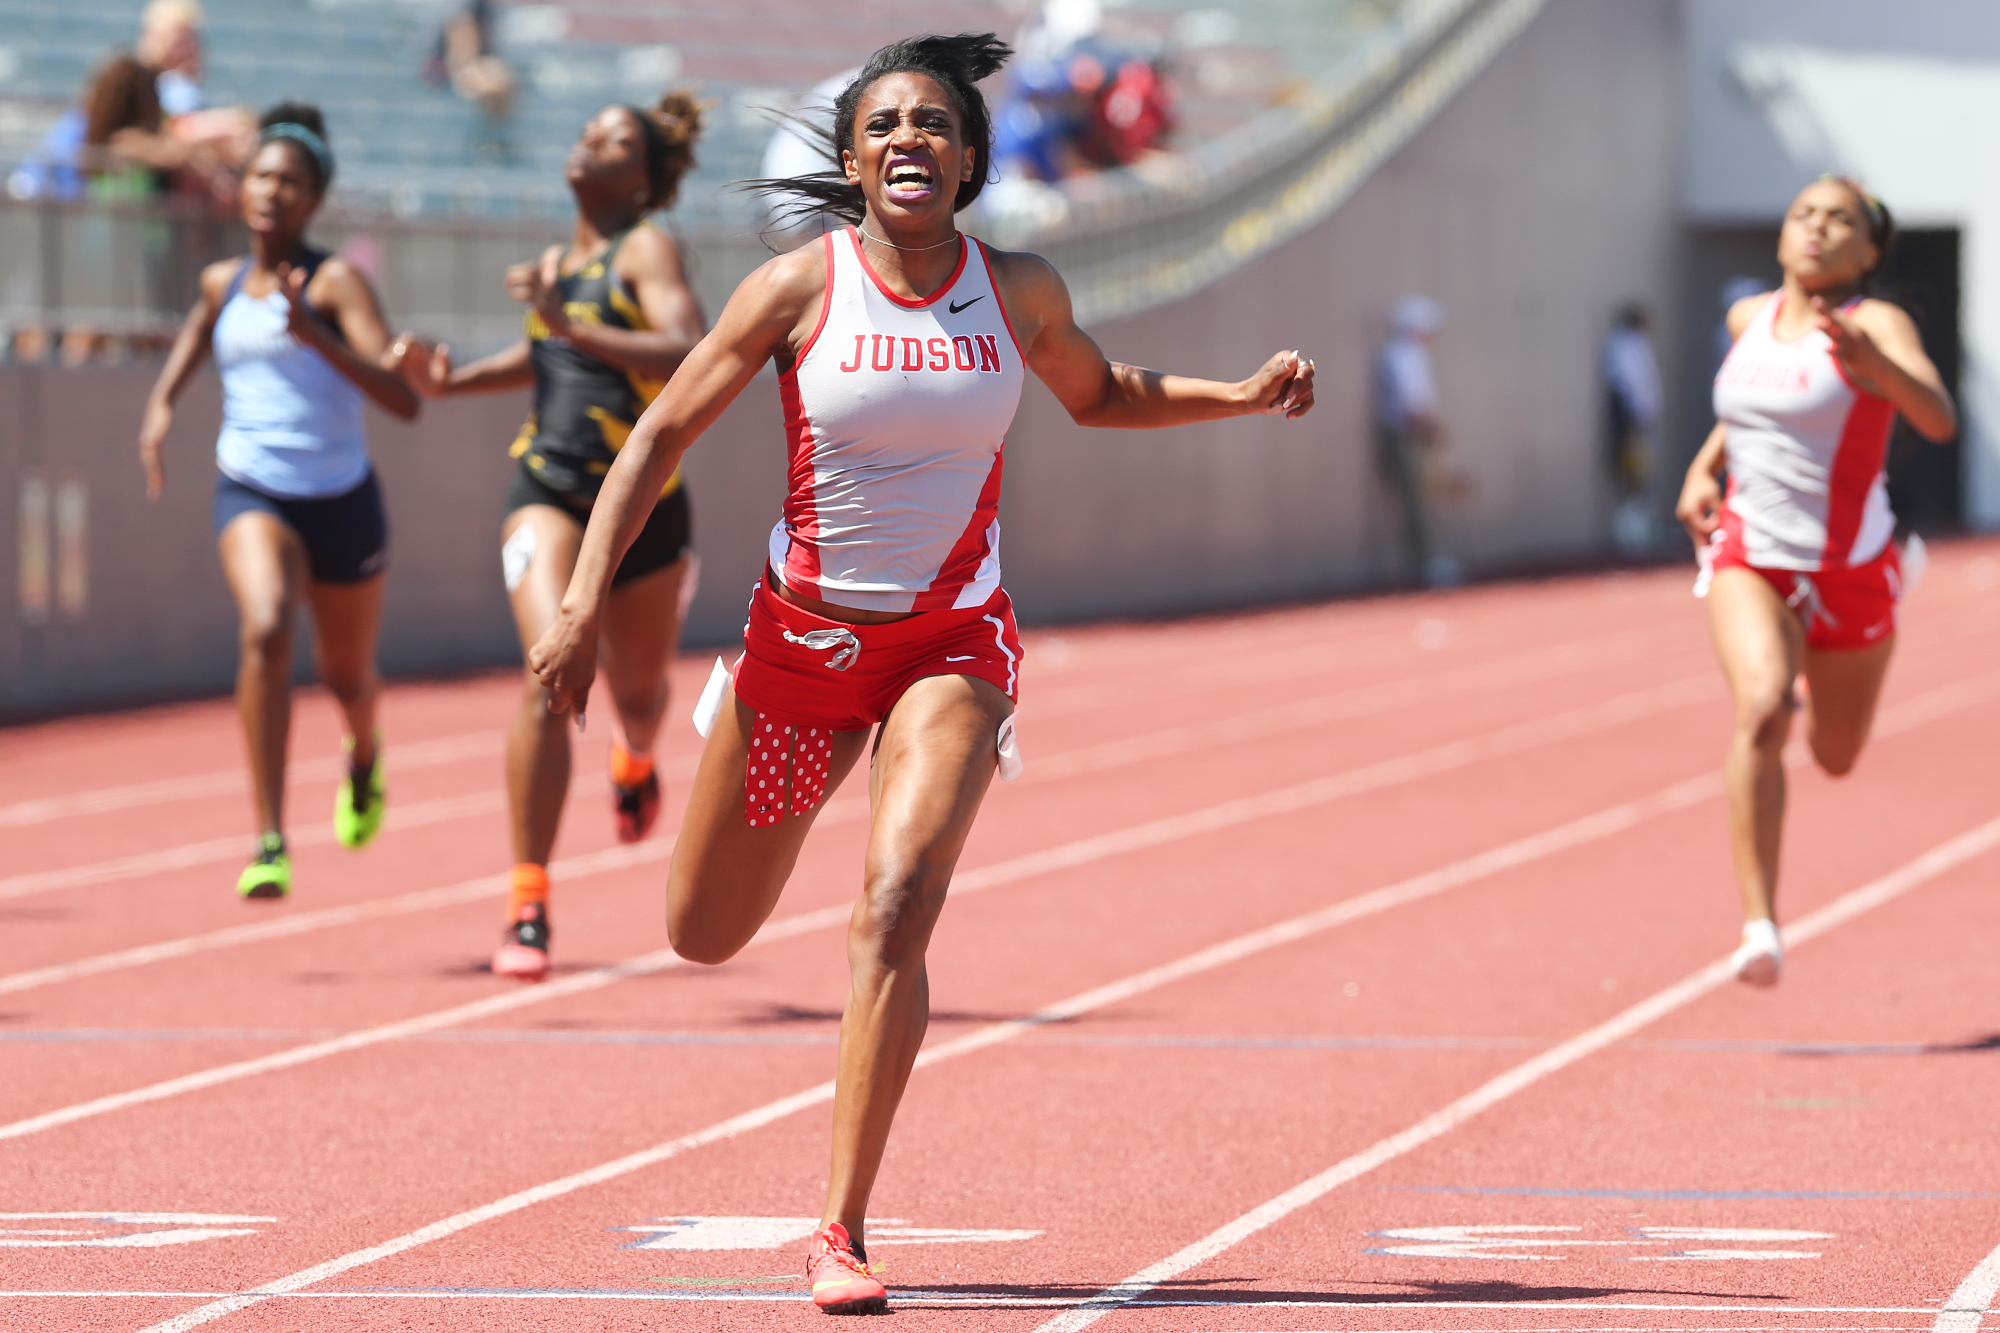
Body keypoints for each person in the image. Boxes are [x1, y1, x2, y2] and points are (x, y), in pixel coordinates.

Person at [524, 33, 1315, 1314]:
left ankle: (839, 1228)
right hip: (801, 647)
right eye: (884, 124)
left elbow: (1100, 393)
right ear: (852, 160)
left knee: (895, 902)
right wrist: (576, 607)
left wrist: (1236, 393)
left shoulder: (1017, 289)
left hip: (949, 645)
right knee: (702, 933)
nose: (909, 139)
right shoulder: (797, 287)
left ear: (967, 160)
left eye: (934, 124)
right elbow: (660, 433)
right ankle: (757, 769)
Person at [394, 94, 708, 983]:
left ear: (641, 179)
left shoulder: (644, 247)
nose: (588, 140)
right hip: (548, 492)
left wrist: (571, 324)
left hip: (643, 506)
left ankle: (634, 755)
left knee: (639, 696)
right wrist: (451, 380)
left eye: (614, 139)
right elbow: (546, 357)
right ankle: (528, 902)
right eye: (587, 129)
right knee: (553, 670)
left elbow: (688, 347)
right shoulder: (555, 265)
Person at [1676, 175, 1955, 987]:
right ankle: (1759, 926)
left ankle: (1823, 652)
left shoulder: (1879, 324)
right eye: (1804, 214)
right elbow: (1747, 406)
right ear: (1782, 234)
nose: (1816, 228)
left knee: (1835, 754)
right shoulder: (1748, 317)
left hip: (1850, 566)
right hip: (1750, 550)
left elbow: (1937, 418)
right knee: (1762, 707)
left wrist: (1877, 366)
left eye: (1839, 220)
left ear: (1867, 253)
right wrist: (1702, 468)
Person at [139, 104, 420, 898]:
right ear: (242, 186)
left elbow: (403, 399)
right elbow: (201, 328)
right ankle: (269, 838)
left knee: (346, 677)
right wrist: (162, 404)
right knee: (264, 627)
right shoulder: (222, 280)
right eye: (261, 176)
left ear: (314, 199)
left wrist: (315, 336)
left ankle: (363, 751)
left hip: (341, 500)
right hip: (252, 488)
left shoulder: (336, 283)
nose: (271, 191)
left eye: (290, 182)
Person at [1373, 296, 1458, 587]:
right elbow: (1411, 406)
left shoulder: (1412, 355)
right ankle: (1426, 563)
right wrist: (1432, 432)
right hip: (1407, 437)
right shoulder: (1401, 356)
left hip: (1414, 435)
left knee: (1424, 498)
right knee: (1416, 502)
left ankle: (1430, 559)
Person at [1604, 302, 1662, 554]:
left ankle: (1638, 530)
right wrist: (1639, 416)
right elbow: (1632, 385)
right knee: (1633, 477)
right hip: (1631, 422)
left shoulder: (1632, 345)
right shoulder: (1628, 346)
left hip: (1636, 421)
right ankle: (1632, 533)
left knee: (1639, 476)